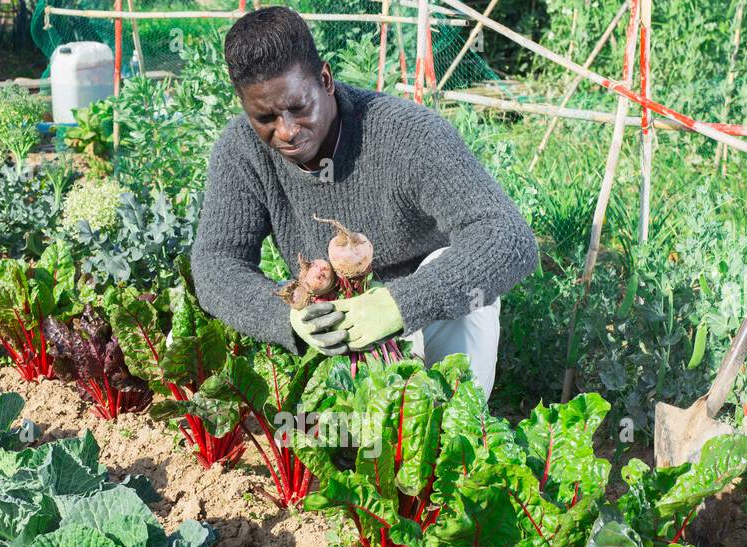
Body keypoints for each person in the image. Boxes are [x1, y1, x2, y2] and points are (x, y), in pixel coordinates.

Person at [190, 6, 538, 396]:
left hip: (428, 318)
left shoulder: (408, 136)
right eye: (265, 117)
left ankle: (457, 434)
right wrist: (288, 318)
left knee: (457, 285)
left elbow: (509, 238)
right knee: (358, 446)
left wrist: (397, 304)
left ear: (325, 79)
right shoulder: (242, 150)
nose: (286, 131)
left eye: (299, 107)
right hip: (339, 333)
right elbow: (216, 263)